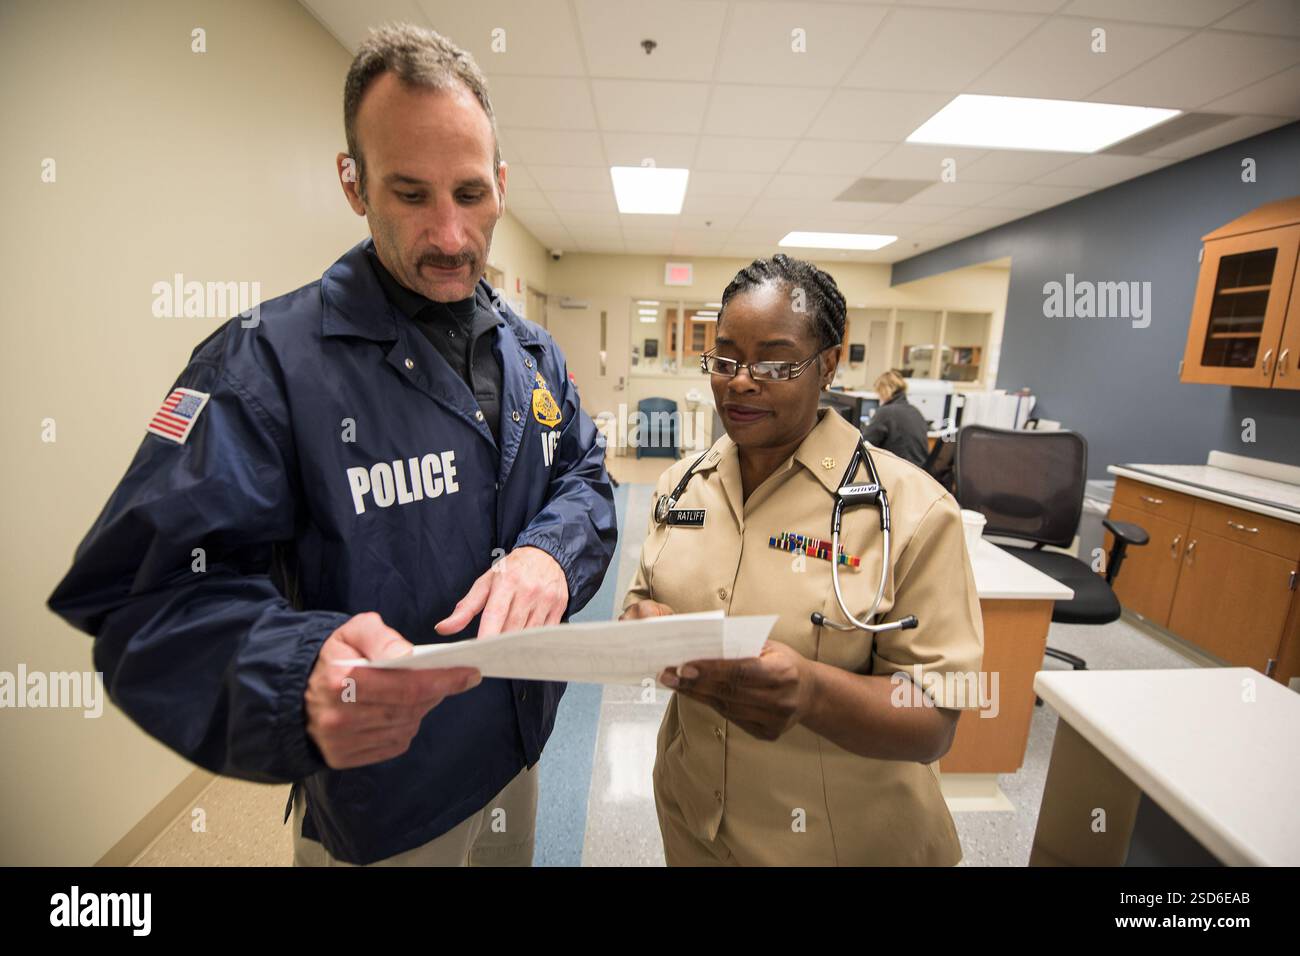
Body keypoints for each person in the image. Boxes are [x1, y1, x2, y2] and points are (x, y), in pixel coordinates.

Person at [47, 24, 617, 867]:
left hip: (517, 748)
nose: (452, 236)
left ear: (501, 184)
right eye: (410, 194)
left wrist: (548, 556)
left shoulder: (532, 354)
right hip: (383, 799)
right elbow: (145, 601)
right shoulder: (263, 365)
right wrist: (297, 671)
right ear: (354, 185)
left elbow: (586, 475)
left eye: (469, 193)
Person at [621, 255, 983, 866]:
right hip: (693, 824)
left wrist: (812, 693)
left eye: (774, 361)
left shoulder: (913, 511)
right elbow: (641, 599)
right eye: (727, 357)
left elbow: (934, 721)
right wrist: (642, 626)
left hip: (839, 845)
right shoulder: (680, 486)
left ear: (830, 365)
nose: (740, 381)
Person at [862, 369, 930, 467]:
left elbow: (866, 442)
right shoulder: (915, 411)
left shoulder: (886, 412)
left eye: (879, 393)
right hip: (919, 472)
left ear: (884, 390)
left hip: (900, 472)